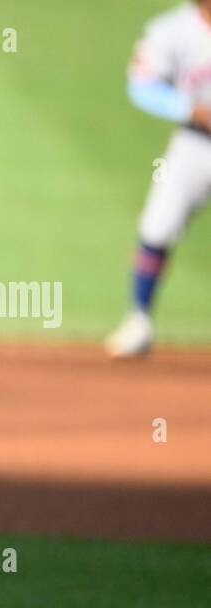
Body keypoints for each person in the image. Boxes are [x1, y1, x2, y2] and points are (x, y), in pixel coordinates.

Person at [108, 0, 211, 358]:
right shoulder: (169, 30)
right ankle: (139, 319)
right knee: (158, 225)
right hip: (195, 142)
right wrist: (190, 109)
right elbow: (142, 87)